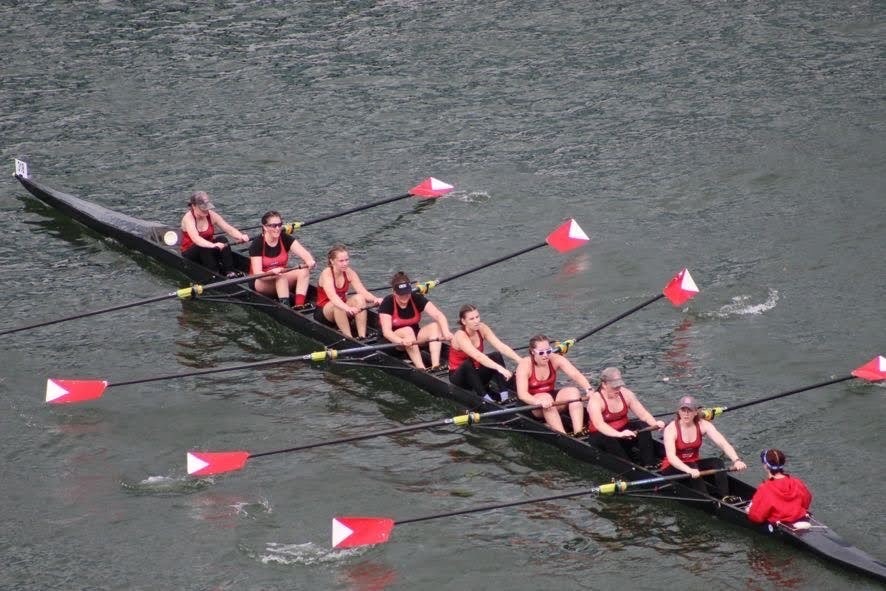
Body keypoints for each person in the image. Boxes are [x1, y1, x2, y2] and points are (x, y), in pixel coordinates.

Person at [660, 395, 747, 499]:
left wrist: (736, 460)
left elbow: (723, 443)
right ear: (678, 411)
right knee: (692, 466)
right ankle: (707, 499)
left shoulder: (703, 425)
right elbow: (671, 457)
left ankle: (725, 497)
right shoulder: (671, 429)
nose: (686, 414)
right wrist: (688, 470)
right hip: (672, 468)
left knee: (717, 462)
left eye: (690, 410)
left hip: (694, 466)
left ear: (696, 412)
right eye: (683, 410)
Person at [585, 367, 665, 467]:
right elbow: (599, 425)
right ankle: (629, 466)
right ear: (604, 384)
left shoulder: (626, 394)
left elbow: (643, 414)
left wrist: (655, 424)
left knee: (642, 425)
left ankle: (649, 462)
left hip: (623, 434)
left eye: (619, 386)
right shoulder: (596, 400)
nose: (618, 389)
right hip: (602, 437)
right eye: (614, 387)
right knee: (607, 437)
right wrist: (619, 434)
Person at [514, 334, 590, 436]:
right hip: (530, 405)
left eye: (548, 351)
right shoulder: (525, 364)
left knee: (573, 391)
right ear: (532, 352)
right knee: (546, 398)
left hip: (549, 400)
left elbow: (576, 375)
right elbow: (522, 394)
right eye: (541, 353)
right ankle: (564, 437)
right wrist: (538, 401)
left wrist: (589, 390)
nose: (546, 355)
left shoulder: (555, 359)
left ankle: (578, 433)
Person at [378, 272, 453, 370]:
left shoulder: (415, 297)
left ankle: (435, 366)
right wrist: (401, 341)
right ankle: (421, 369)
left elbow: (439, 315)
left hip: (413, 339)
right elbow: (387, 332)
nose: (405, 296)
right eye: (401, 294)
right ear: (394, 292)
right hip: (392, 343)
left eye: (407, 293)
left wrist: (446, 332)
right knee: (408, 330)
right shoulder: (387, 302)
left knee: (435, 326)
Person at [447, 304, 523, 401]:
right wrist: (500, 368)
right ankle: (486, 399)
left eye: (477, 317)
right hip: (459, 378)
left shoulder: (482, 328)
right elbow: (478, 356)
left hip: (476, 372)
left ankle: (505, 396)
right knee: (468, 364)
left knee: (496, 355)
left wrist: (519, 360)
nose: (476, 321)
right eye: (472, 319)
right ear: (463, 321)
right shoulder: (460, 335)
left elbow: (501, 346)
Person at [314, 244, 383, 340]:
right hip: (324, 313)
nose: (345, 263)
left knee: (359, 298)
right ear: (332, 261)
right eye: (341, 261)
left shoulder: (349, 272)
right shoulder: (327, 273)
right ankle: (349, 338)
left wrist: (375, 299)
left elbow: (363, 291)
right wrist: (347, 308)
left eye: (347, 260)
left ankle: (362, 337)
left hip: (342, 309)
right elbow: (333, 297)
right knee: (337, 304)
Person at [248, 210, 316, 307]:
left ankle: (299, 305)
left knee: (304, 271)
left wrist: (309, 260)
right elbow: (258, 273)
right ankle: (285, 306)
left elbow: (304, 253)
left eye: (279, 225)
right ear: (265, 227)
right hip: (260, 281)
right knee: (280, 276)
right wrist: (272, 273)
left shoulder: (284, 238)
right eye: (273, 226)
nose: (278, 228)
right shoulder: (257, 244)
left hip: (280, 276)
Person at [179, 191, 249, 277]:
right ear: (194, 206)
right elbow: (196, 239)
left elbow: (228, 228)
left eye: (207, 207)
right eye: (203, 208)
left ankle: (229, 271)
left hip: (208, 251)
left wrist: (241, 236)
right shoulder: (188, 218)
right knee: (203, 246)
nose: (206, 210)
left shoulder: (211, 215)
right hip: (190, 253)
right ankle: (214, 273)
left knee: (222, 239)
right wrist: (212, 245)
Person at [747, 449, 813, 525]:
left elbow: (756, 517)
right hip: (801, 518)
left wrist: (748, 510)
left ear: (765, 466)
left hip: (779, 522)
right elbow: (807, 500)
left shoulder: (765, 488)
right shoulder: (796, 482)